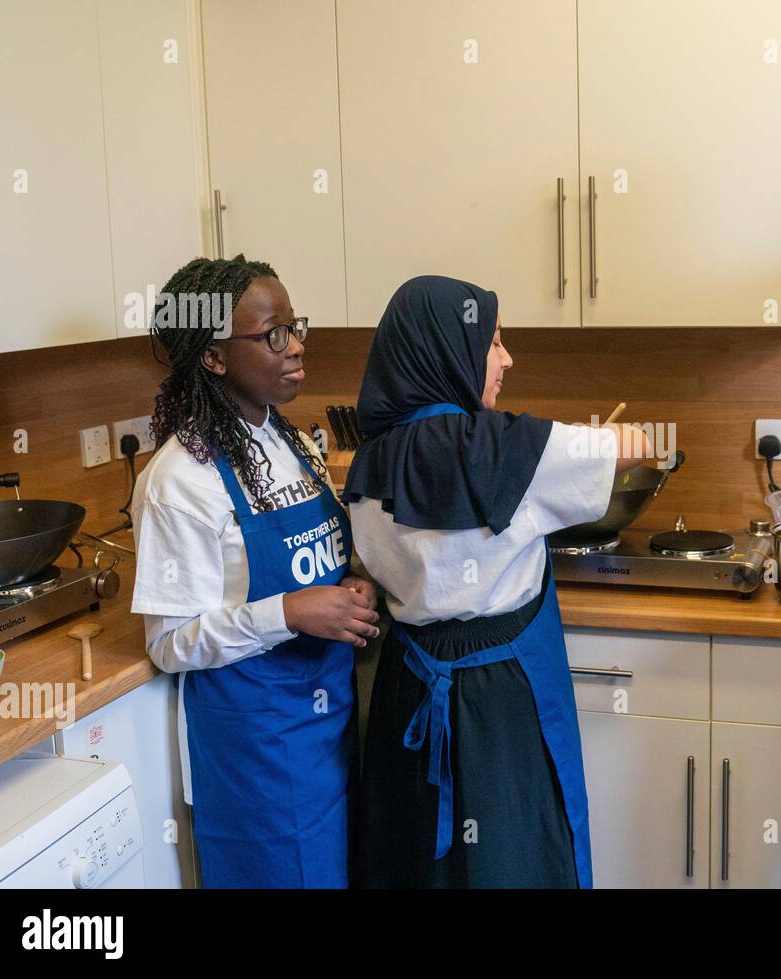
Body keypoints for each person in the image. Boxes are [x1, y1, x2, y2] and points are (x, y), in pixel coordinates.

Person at [347, 275, 649, 888]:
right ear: (451, 350)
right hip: (504, 699)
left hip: (409, 689)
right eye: (494, 341)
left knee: (421, 863)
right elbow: (638, 444)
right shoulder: (511, 449)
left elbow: (376, 569)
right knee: (516, 858)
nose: (507, 358)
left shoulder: (366, 462)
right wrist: (558, 439)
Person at [130, 255, 380, 888]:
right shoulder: (178, 481)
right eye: (273, 335)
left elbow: (321, 557)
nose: (296, 346)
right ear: (213, 356)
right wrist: (291, 613)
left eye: (296, 327)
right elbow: (168, 643)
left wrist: (352, 582)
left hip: (327, 727)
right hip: (258, 756)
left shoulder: (292, 444)